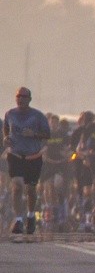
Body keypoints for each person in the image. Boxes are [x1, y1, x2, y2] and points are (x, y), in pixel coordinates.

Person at [5, 87, 52, 236]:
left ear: (29, 99)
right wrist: (6, 138)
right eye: (18, 97)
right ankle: (18, 219)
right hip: (16, 155)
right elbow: (6, 129)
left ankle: (31, 216)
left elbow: (47, 134)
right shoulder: (10, 114)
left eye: (24, 97)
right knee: (17, 186)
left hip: (33, 156)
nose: (21, 99)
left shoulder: (38, 116)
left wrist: (34, 134)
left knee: (31, 189)